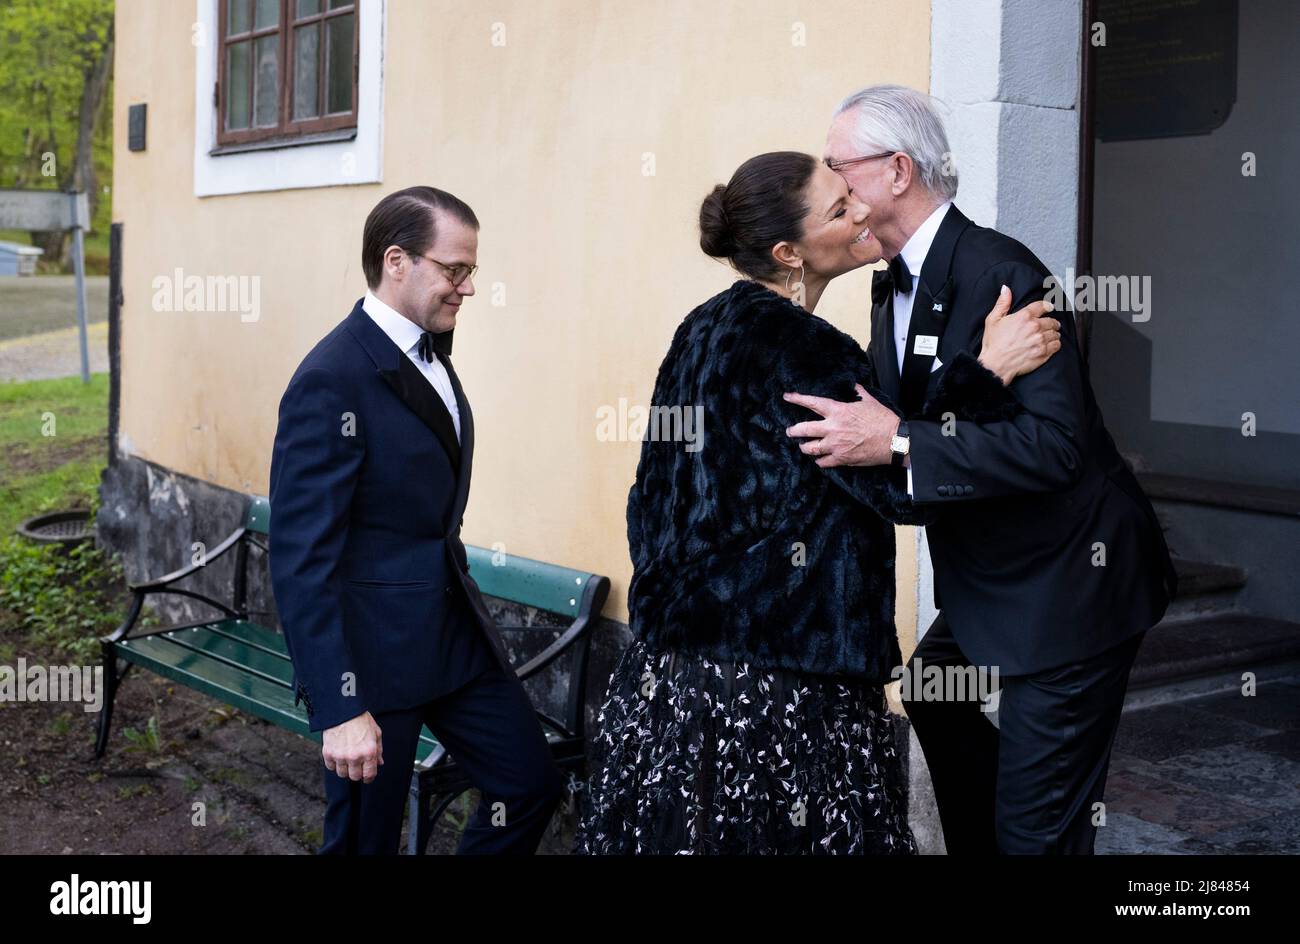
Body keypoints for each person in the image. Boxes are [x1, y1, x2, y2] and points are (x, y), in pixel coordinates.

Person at [577, 151, 1060, 854]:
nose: (861, 211)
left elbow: (648, 498)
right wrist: (987, 373)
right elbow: (902, 487)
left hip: (672, 682)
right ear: (788, 254)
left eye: (850, 193)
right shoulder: (806, 348)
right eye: (839, 210)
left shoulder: (704, 326)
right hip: (782, 692)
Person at [785, 85, 1178, 854]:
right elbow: (915, 422)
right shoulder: (885, 278)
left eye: (840, 166)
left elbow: (1054, 447)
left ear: (898, 170)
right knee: (934, 692)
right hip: (993, 575)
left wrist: (901, 442)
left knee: (1039, 834)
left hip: (1071, 587)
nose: (832, 184)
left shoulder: (1004, 272)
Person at [269, 186, 564, 854]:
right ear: (396, 261)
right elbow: (299, 558)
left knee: (529, 783)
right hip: (371, 663)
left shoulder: (430, 344)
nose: (466, 288)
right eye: (454, 270)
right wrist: (339, 707)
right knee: (363, 844)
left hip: (453, 636)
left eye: (471, 272)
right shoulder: (331, 379)